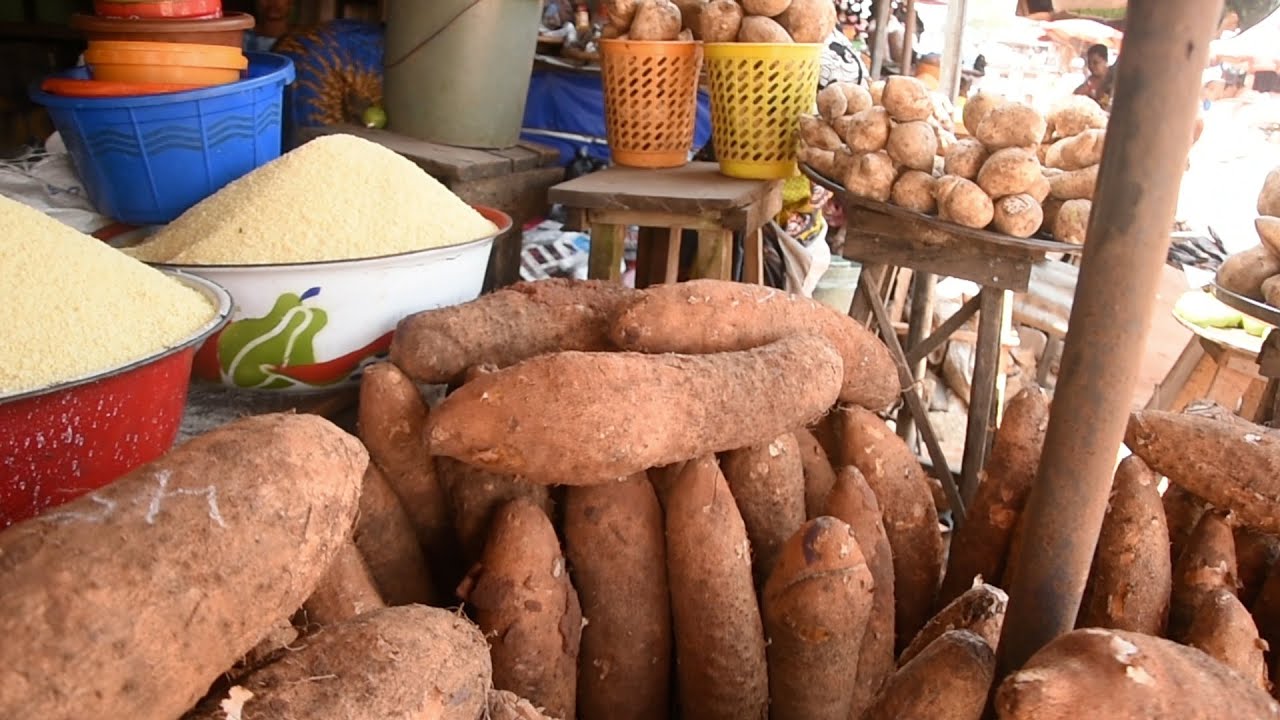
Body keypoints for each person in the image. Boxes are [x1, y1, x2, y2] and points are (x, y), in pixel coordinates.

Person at [1074, 44, 1115, 110]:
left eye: (1095, 62)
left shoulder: (1114, 79)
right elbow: (1075, 96)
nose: (1091, 66)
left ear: (1106, 61)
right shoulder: (1090, 81)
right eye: (1089, 63)